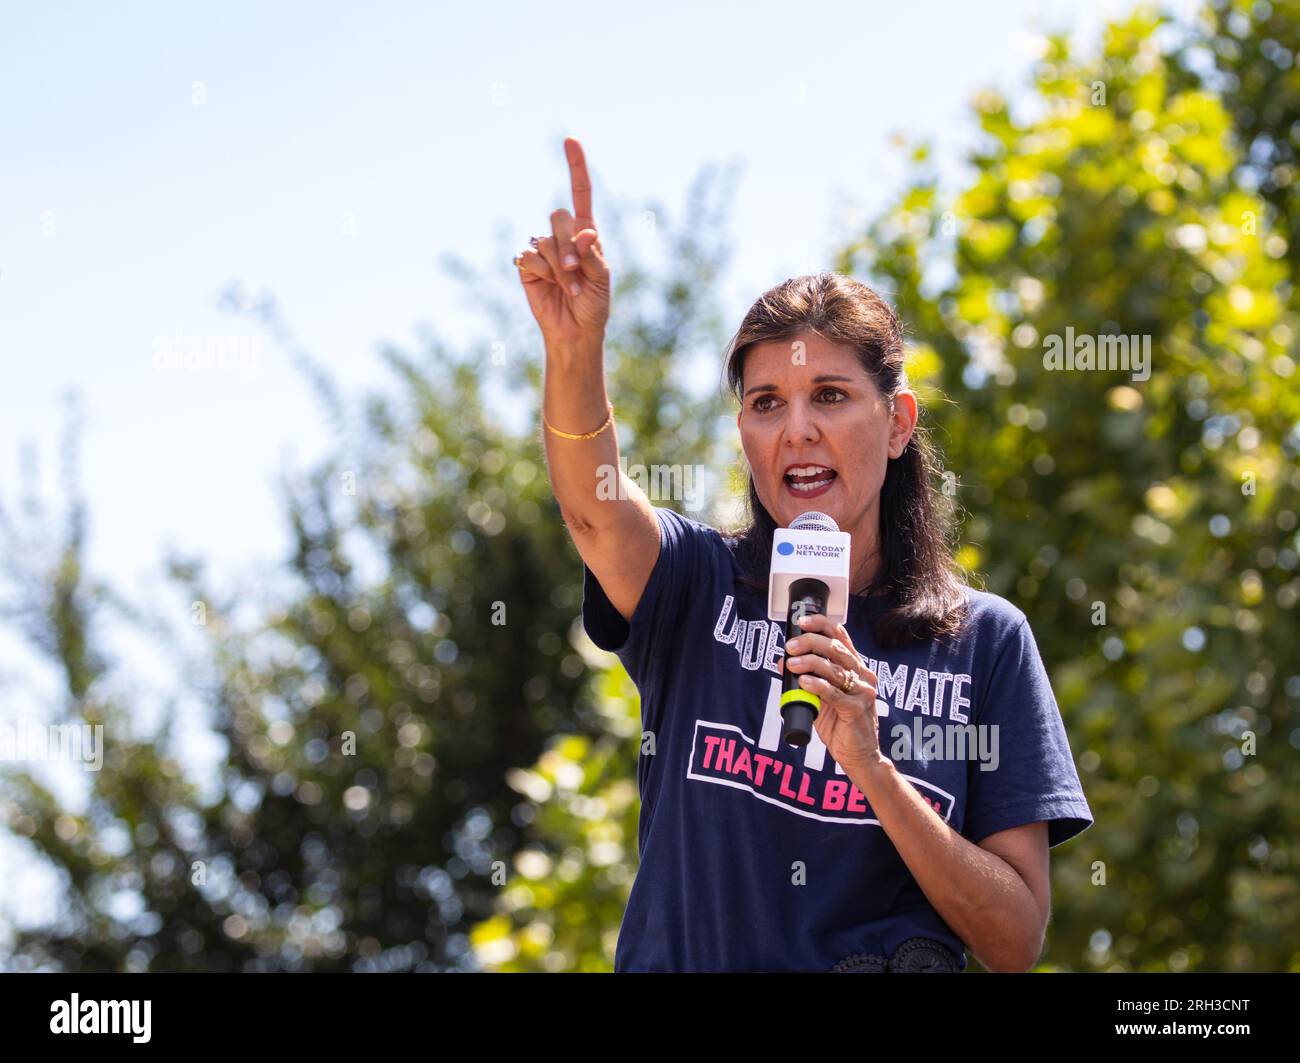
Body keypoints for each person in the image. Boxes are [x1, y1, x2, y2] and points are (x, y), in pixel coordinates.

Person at [514, 136, 1094, 973]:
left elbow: (1014, 938)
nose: (797, 429)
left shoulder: (985, 642)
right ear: (745, 432)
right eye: (766, 402)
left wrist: (871, 763)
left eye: (830, 395)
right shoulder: (697, 581)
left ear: (897, 423)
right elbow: (594, 511)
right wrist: (575, 347)